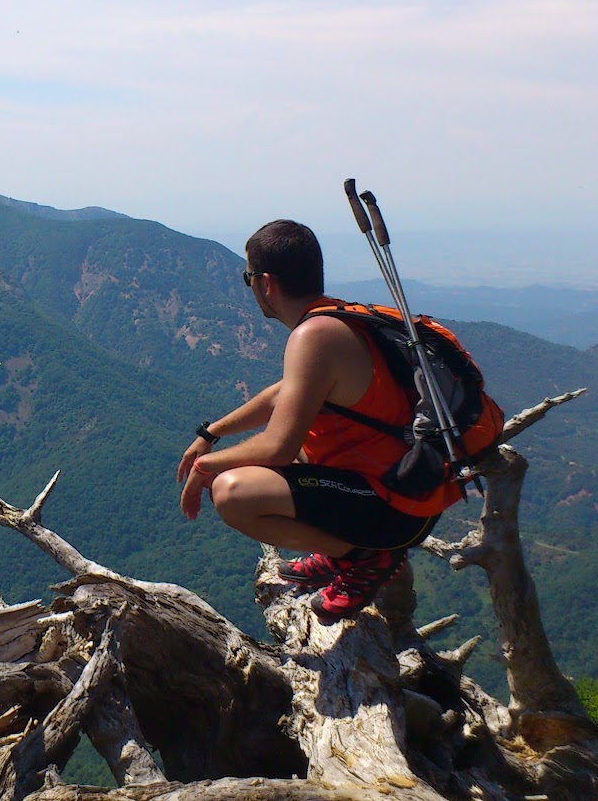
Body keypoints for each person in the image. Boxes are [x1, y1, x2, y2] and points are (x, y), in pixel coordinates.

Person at [177, 219, 459, 622]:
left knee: (231, 492)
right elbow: (280, 396)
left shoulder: (313, 337)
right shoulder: (337, 320)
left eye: (248, 277)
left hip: (396, 509)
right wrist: (211, 433)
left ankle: (362, 557)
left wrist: (206, 467)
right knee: (283, 456)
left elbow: (278, 448)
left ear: (266, 283)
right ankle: (342, 549)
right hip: (409, 487)